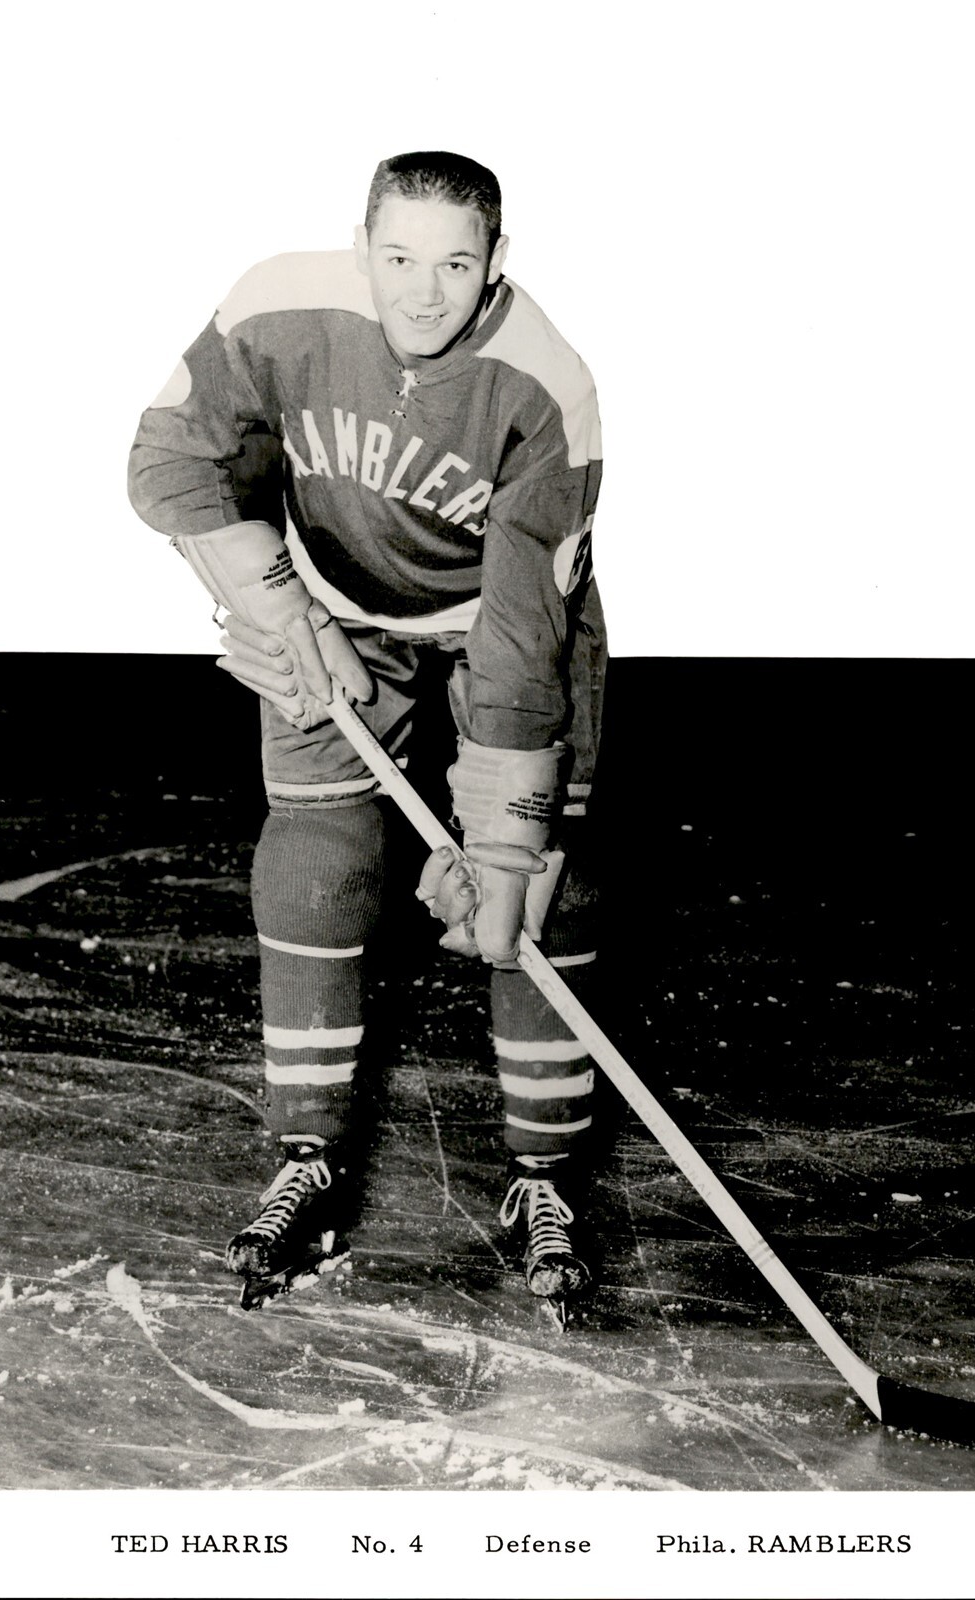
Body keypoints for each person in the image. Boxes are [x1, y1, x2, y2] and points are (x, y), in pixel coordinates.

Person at [128, 151, 605, 1320]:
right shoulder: (275, 308)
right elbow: (167, 465)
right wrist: (280, 610)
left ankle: (541, 1179)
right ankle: (306, 1154)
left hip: (499, 630)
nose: (423, 292)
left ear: (495, 264)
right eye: (398, 258)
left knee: (537, 895)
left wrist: (497, 838)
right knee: (318, 864)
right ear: (361, 248)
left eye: (454, 263)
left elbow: (516, 633)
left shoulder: (548, 387)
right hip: (335, 610)